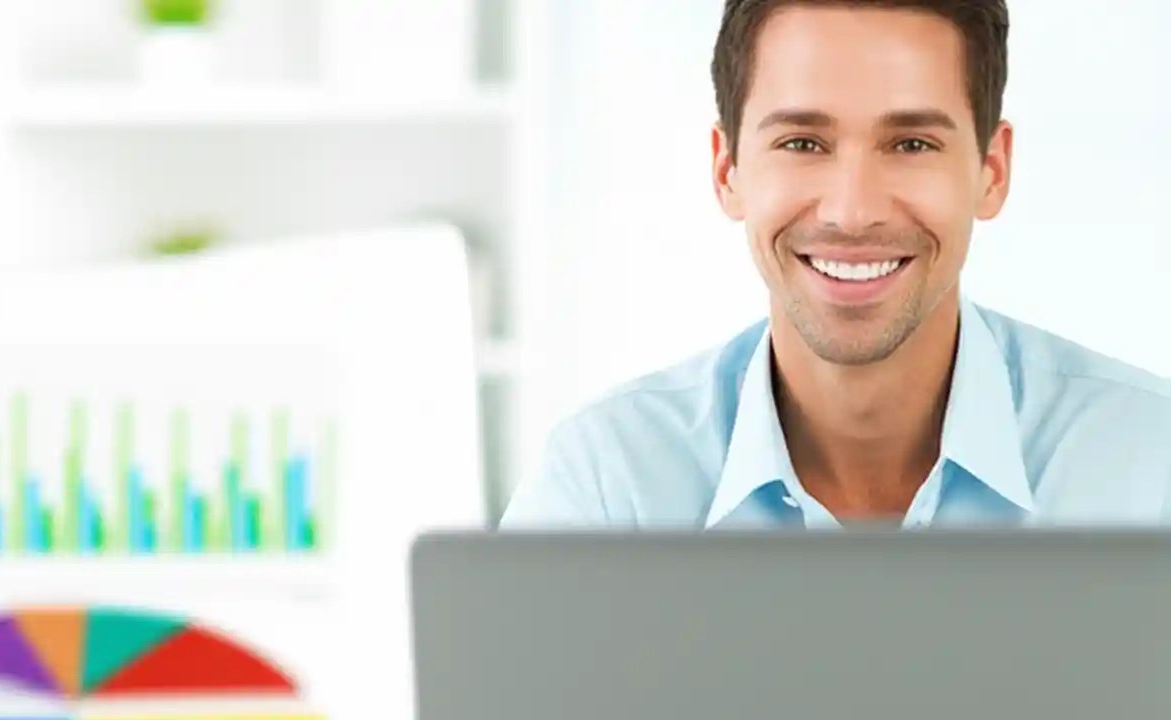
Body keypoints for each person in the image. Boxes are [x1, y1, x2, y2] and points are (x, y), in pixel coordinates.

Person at [502, 0, 1171, 530]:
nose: (852, 212)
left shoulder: (1152, 469)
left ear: (991, 171)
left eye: (910, 143)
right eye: (802, 142)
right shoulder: (608, 490)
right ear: (727, 169)